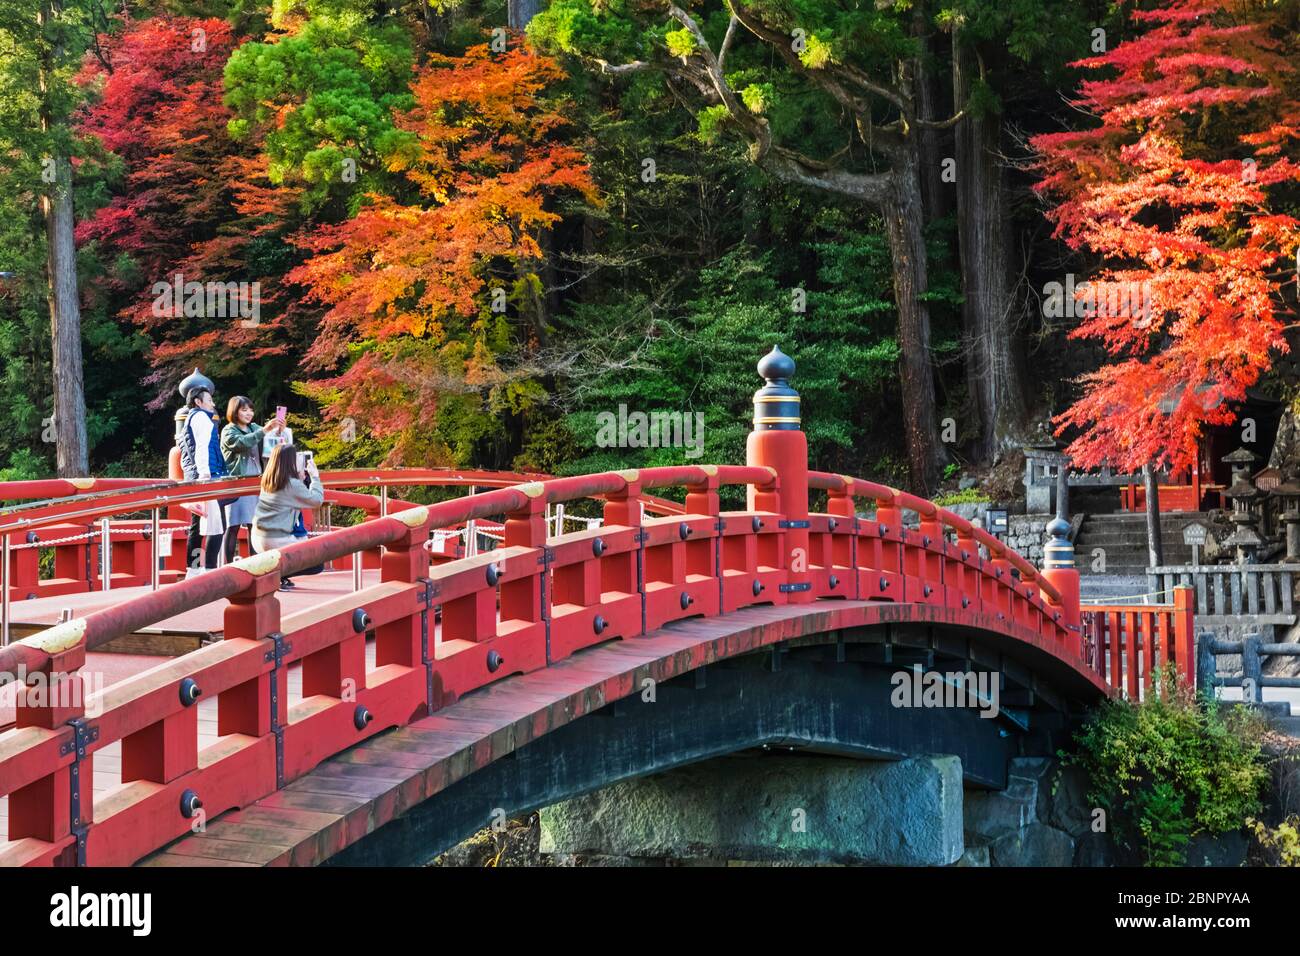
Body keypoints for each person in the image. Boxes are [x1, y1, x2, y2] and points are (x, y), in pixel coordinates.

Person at [220, 396, 284, 562]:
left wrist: (278, 431)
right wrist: (265, 430)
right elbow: (241, 443)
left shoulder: (254, 427)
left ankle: (255, 563)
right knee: (232, 526)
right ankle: (228, 565)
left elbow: (271, 443)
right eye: (244, 409)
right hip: (237, 483)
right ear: (234, 411)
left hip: (257, 481)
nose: (249, 413)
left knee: (253, 525)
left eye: (250, 409)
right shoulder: (229, 430)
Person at [253, 443, 325, 590]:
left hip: (257, 539)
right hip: (276, 541)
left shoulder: (267, 480)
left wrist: (298, 478)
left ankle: (278, 574)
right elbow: (316, 500)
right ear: (290, 462)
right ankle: (277, 575)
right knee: (318, 564)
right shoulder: (291, 484)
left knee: (302, 543)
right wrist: (315, 477)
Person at [178, 384, 230, 574]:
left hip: (196, 475)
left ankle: (193, 569)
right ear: (197, 402)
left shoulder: (191, 419)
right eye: (209, 400)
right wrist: (205, 475)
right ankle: (209, 569)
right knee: (217, 525)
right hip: (207, 475)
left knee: (198, 525)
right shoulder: (201, 418)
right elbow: (202, 447)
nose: (212, 404)